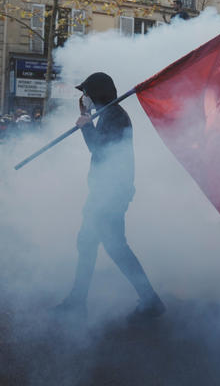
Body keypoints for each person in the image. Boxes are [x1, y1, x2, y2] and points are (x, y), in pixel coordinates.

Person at [57, 72, 164, 322]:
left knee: (116, 248)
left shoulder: (115, 116)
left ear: (96, 94)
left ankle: (151, 301)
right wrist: (88, 118)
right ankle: (77, 300)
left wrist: (85, 123)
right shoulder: (109, 114)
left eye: (86, 93)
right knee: (88, 243)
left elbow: (101, 150)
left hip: (110, 195)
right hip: (103, 193)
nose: (84, 97)